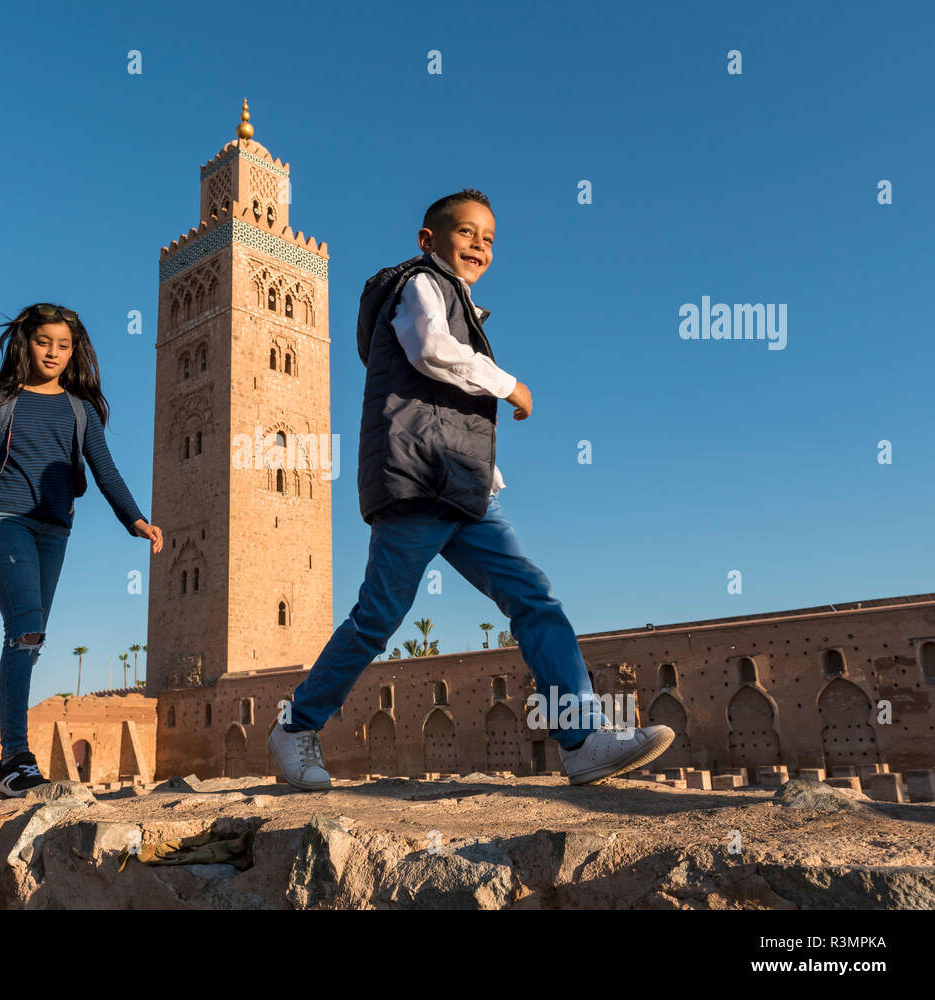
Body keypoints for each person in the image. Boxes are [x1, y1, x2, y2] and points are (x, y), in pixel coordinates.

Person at [268, 189, 675, 790]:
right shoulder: (419, 286)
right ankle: (296, 726)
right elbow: (433, 352)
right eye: (466, 232)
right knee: (377, 618)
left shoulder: (458, 303)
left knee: (534, 598)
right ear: (428, 240)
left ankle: (583, 740)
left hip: (467, 490)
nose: (480, 244)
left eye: (489, 238)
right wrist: (510, 385)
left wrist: (490, 475)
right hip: (417, 484)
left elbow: (447, 403)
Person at [0, 303, 163, 798]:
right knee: (24, 631)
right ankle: (15, 756)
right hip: (4, 523)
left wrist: (136, 520)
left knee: (30, 640)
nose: (54, 353)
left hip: (55, 532)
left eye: (64, 345)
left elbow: (105, 471)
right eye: (45, 342)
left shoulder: (80, 410)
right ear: (26, 342)